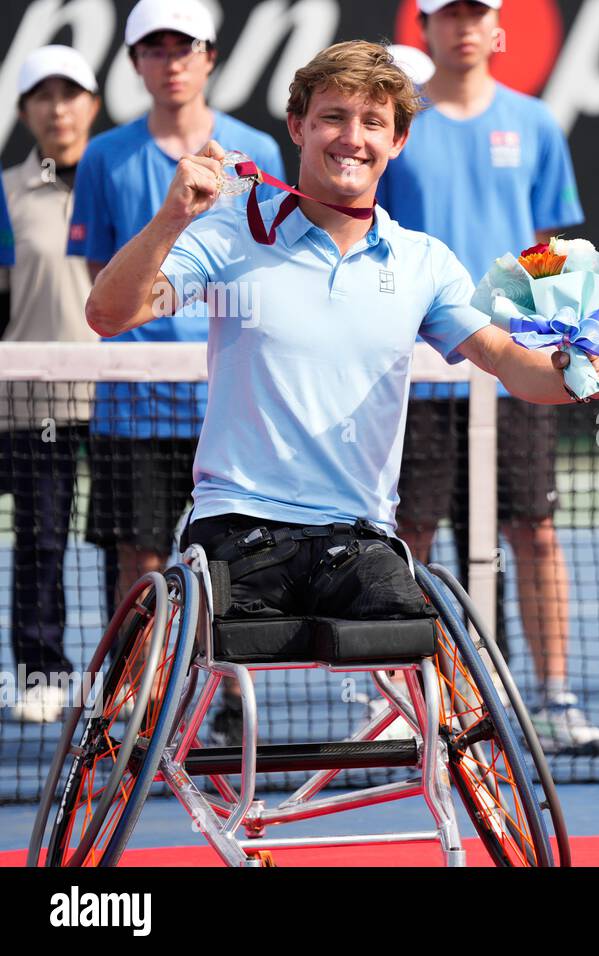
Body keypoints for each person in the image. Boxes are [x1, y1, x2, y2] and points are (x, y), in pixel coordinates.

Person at [83, 40, 599, 741]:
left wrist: (578, 374)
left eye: (373, 122)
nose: (352, 138)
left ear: (397, 140)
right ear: (298, 126)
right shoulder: (227, 234)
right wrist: (171, 218)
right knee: (178, 653)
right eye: (333, 117)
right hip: (236, 529)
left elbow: (506, 361)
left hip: (358, 539)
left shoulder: (426, 262)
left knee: (448, 675)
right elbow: (108, 313)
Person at [376, 0, 599, 756]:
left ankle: (554, 699)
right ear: (429, 28)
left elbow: (549, 248)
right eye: (449, 14)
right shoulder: (397, 124)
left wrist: (569, 334)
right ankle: (400, 706)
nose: (464, 26)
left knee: (535, 532)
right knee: (406, 537)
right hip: (420, 369)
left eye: (476, 12)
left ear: (495, 24)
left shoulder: (535, 123)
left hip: (513, 367)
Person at [69, 0, 284, 744]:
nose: (170, 61)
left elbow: (271, 264)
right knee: (140, 559)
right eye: (153, 48)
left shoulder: (255, 150)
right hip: (131, 401)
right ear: (136, 63)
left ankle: (225, 705)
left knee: (233, 560)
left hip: (231, 400)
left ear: (210, 56)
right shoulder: (103, 157)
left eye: (183, 46)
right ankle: (137, 706)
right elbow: (105, 279)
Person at [0, 46, 101, 722]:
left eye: (71, 94)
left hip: (129, 397)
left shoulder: (123, 178)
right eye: (43, 95)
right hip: (33, 402)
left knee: (136, 544)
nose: (58, 108)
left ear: (92, 104)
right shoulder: (6, 192)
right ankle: (40, 671)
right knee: (41, 539)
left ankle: (130, 677)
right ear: (26, 111)